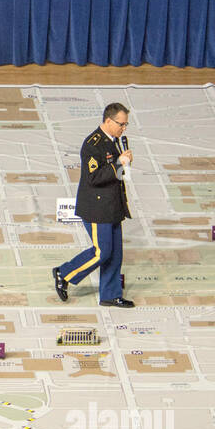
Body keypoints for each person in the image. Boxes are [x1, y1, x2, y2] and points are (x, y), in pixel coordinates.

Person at [53, 103, 134, 307]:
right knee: (102, 252)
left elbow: (115, 176)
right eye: (121, 124)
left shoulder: (114, 141)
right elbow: (94, 177)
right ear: (108, 121)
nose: (124, 129)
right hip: (97, 208)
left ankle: (110, 294)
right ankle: (64, 273)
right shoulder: (93, 144)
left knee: (115, 254)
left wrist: (122, 165)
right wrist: (119, 163)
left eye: (126, 125)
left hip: (112, 205)